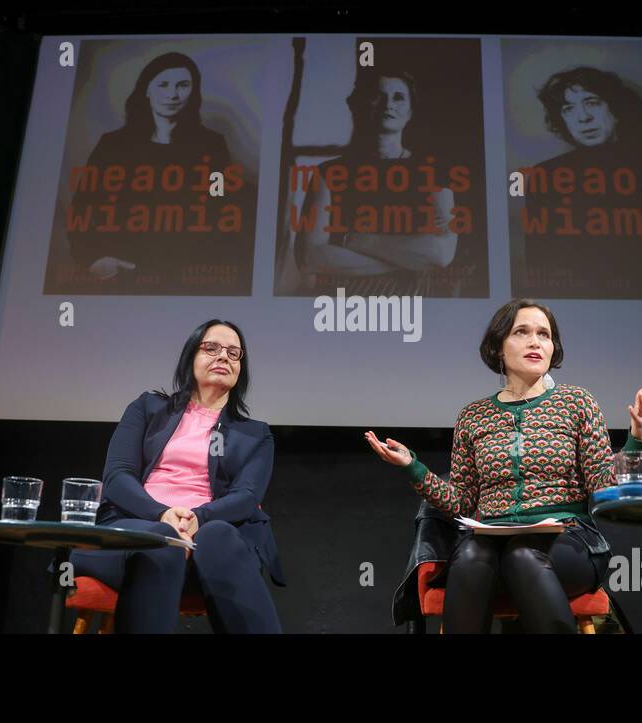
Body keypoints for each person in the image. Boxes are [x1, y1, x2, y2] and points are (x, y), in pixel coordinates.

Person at [365, 299, 642, 633]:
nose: (536, 342)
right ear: (498, 347)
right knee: (472, 558)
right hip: (490, 544)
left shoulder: (577, 403)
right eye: (522, 332)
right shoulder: (473, 416)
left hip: (569, 543)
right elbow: (460, 501)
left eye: (544, 335)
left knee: (523, 556)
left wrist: (637, 438)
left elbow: (602, 484)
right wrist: (412, 467)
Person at [70, 320, 284, 633]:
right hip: (137, 528)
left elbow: (247, 497)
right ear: (189, 357)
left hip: (207, 548)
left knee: (219, 535)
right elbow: (117, 477)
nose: (223, 357)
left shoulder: (255, 435)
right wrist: (163, 515)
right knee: (162, 542)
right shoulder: (148, 408)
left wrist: (198, 518)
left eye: (234, 353)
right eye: (211, 348)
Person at [519, 66, 642, 299]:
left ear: (615, 109)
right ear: (561, 119)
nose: (583, 117)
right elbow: (543, 271)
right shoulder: (546, 175)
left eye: (592, 102)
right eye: (568, 109)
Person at [66, 51, 245, 292]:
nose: (173, 94)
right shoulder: (112, 145)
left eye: (183, 85)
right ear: (146, 90)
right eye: (163, 85)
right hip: (117, 279)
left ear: (193, 92)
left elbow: (220, 206)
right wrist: (94, 262)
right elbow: (82, 210)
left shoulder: (212, 146)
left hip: (186, 280)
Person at [295, 66, 459, 296]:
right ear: (364, 104)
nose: (388, 104)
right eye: (378, 96)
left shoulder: (435, 172)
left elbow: (440, 254)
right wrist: (408, 262)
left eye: (398, 97)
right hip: (344, 310)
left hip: (413, 311)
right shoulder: (329, 172)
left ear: (411, 110)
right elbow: (310, 257)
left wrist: (361, 241)